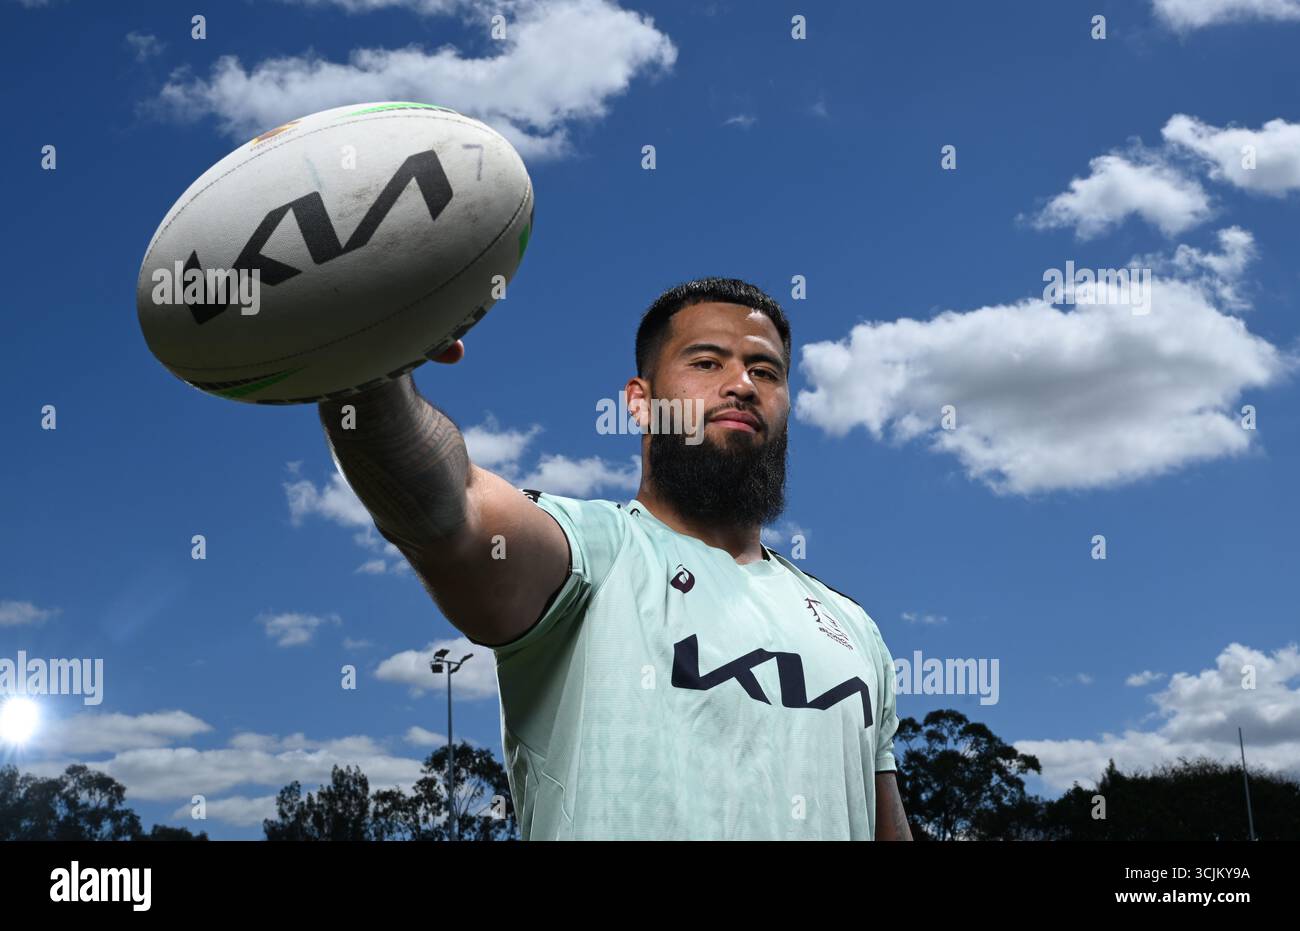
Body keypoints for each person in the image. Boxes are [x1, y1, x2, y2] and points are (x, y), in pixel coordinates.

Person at [318, 277, 912, 841]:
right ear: (640, 402)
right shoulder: (595, 551)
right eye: (707, 363)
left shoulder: (853, 629)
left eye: (765, 370)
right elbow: (449, 513)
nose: (742, 384)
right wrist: (366, 367)